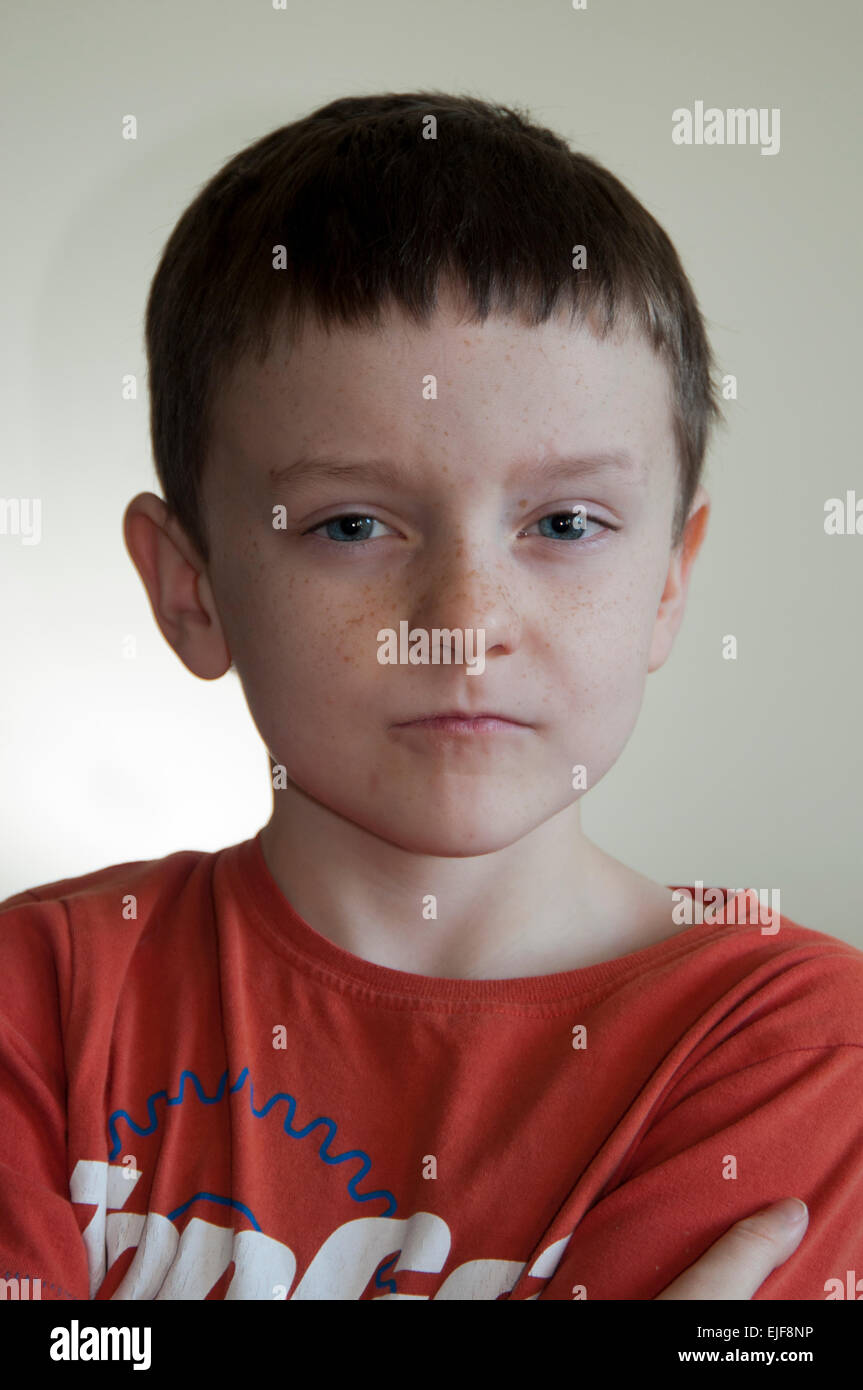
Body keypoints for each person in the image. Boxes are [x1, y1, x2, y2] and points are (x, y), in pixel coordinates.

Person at [1, 91, 860, 1301]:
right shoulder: (36, 999)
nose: (461, 623)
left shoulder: (798, 1047)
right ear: (189, 587)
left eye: (564, 523)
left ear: (668, 583)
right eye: (352, 524)